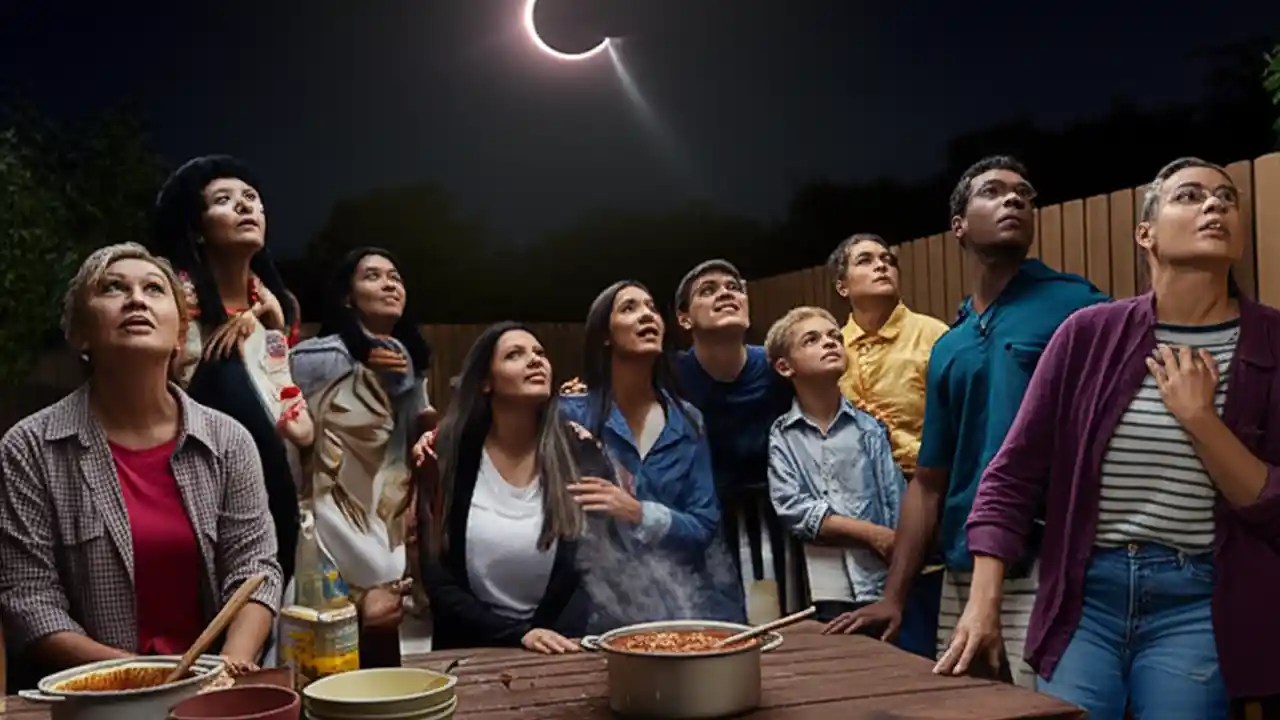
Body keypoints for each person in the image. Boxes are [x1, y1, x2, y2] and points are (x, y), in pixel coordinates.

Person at [948, 158, 1280, 719]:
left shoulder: (1270, 344)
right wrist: (983, 605)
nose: (1215, 205)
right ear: (1145, 234)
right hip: (1085, 596)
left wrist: (1201, 420)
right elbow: (1012, 475)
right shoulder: (1088, 336)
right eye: (1190, 196)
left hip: (1199, 601)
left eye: (1227, 198)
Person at [826, 156, 1108, 688]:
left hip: (1047, 561)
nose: (1014, 199)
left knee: (1048, 708)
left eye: (1024, 193)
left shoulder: (1076, 305)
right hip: (961, 565)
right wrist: (894, 596)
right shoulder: (950, 344)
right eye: (993, 191)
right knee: (967, 705)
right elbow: (929, 481)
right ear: (958, 225)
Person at [0, 243, 283, 683]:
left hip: (212, 694)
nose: (136, 299)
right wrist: (142, 678)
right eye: (113, 288)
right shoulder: (29, 448)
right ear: (79, 333)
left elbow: (256, 570)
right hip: (93, 698)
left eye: (153, 289)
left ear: (180, 334)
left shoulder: (229, 441)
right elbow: (29, 600)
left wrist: (225, 670)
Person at [416, 322, 617, 652]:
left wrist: (550, 638)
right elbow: (437, 580)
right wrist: (517, 634)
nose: (535, 360)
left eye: (540, 353)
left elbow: (596, 568)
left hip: (559, 649)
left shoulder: (581, 453)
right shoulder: (448, 456)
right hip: (468, 650)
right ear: (486, 381)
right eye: (514, 355)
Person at [152, 155, 307, 580]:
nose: (244, 206)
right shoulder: (169, 300)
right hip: (192, 479)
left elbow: (288, 405)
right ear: (198, 229)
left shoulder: (279, 307)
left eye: (252, 198)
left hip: (277, 485)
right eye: (223, 200)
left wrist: (269, 327)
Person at [560, 281, 745, 626]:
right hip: (599, 610)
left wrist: (638, 512)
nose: (647, 315)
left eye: (651, 308)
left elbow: (704, 524)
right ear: (605, 335)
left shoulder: (688, 421)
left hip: (684, 604)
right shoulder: (572, 414)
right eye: (629, 308)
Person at [290, 247, 435, 661]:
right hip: (328, 526)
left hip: (386, 521)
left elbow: (414, 436)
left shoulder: (409, 360)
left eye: (395, 277)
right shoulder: (318, 359)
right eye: (373, 276)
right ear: (347, 297)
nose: (389, 284)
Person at [828, 233, 950, 658]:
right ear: (842, 285)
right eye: (865, 260)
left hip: (927, 497)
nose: (882, 265)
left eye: (887, 259)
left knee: (926, 635)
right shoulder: (832, 347)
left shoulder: (934, 336)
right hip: (853, 510)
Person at [672, 260, 797, 621]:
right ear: (684, 319)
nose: (726, 294)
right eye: (708, 290)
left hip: (780, 523)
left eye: (734, 287)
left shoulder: (780, 369)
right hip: (701, 525)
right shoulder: (669, 376)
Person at [764, 307, 904, 626]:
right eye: (811, 340)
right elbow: (793, 508)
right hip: (821, 588)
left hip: (877, 582)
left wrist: (894, 550)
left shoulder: (869, 429)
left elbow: (894, 501)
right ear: (785, 367)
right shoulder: (783, 435)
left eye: (835, 337)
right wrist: (870, 534)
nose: (829, 343)